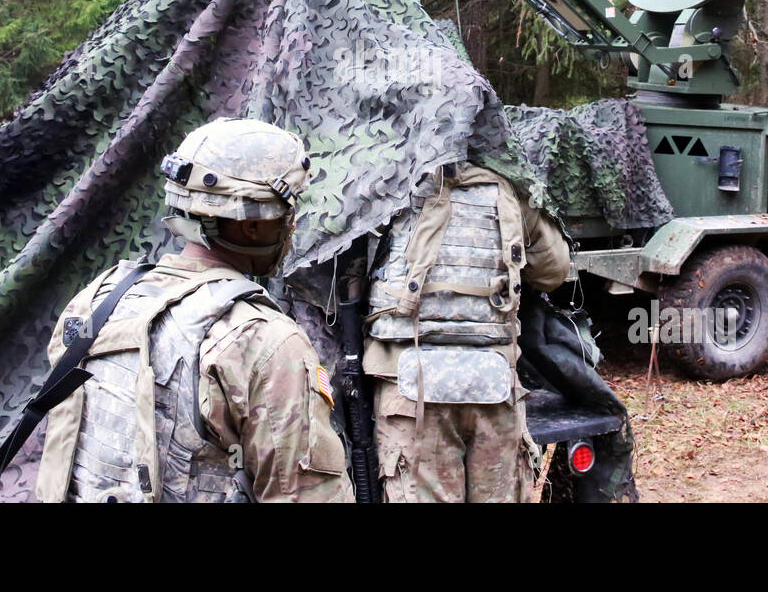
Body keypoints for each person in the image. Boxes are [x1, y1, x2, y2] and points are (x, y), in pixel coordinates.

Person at [35, 118, 354, 503]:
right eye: (287, 210)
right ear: (252, 227)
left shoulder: (99, 299)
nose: (292, 224)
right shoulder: (264, 340)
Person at [363, 161, 571, 502]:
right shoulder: (508, 187)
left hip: (409, 388)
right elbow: (553, 272)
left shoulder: (381, 179)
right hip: (492, 380)